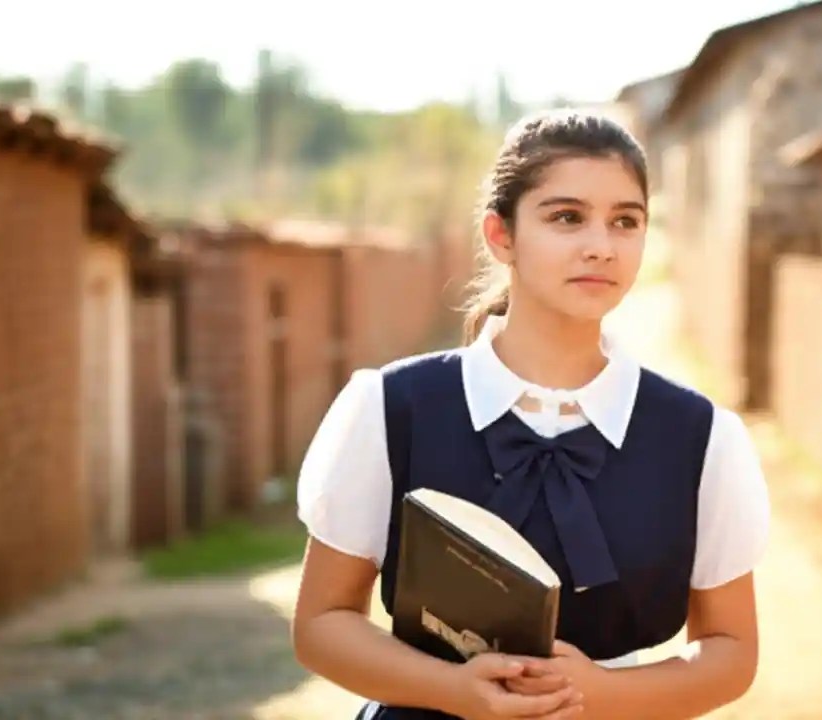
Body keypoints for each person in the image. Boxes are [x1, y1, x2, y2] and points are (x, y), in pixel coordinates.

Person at [291, 109, 771, 719]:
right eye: (567, 217)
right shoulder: (391, 407)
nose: (600, 246)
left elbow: (730, 651)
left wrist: (599, 694)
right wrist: (456, 691)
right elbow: (321, 624)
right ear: (501, 236)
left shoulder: (701, 438)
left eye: (625, 221)